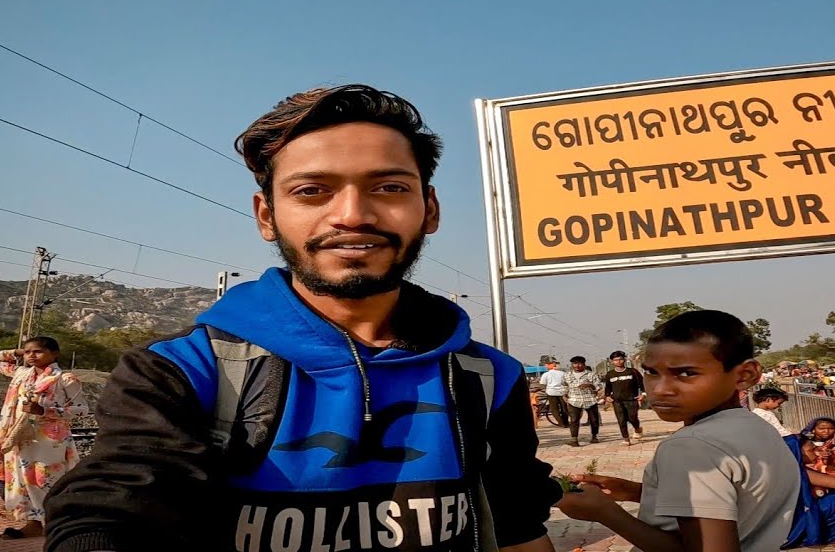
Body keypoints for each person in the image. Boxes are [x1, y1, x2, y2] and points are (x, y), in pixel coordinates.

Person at [45, 85, 561, 552]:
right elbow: (118, 499)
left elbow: (518, 527)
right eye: (312, 191)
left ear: (430, 209)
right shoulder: (182, 369)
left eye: (389, 188)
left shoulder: (489, 377)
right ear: (266, 216)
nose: (352, 215)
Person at [556, 309, 800, 552]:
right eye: (651, 372)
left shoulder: (690, 446)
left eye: (686, 373)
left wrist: (605, 512)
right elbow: (737, 500)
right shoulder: (758, 427)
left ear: (745, 375)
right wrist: (641, 492)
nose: (660, 389)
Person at [0, 337, 87, 539]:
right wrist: (17, 352)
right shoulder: (21, 374)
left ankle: (52, 521)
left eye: (38, 351)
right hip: (19, 436)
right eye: (28, 352)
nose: (31, 355)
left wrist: (45, 410)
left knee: (44, 478)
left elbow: (82, 410)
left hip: (49, 440)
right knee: (22, 478)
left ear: (55, 354)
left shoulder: (65, 379)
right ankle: (34, 522)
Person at [603, 350, 645, 444]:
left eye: (620, 359)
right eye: (615, 360)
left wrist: (643, 394)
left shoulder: (633, 372)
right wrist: (607, 396)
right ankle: (626, 439)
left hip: (632, 400)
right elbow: (608, 387)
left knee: (632, 418)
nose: (618, 362)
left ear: (624, 360)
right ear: (612, 362)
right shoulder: (610, 374)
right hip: (617, 401)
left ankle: (637, 429)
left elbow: (642, 384)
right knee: (621, 420)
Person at [564, 355, 603, 446]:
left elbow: (599, 386)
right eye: (575, 363)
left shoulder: (591, 375)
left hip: (590, 399)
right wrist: (564, 396)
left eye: (580, 364)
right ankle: (574, 439)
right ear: (572, 365)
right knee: (574, 420)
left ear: (584, 364)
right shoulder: (567, 375)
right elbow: (564, 386)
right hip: (574, 400)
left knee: (594, 420)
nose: (577, 366)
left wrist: (590, 385)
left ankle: (594, 436)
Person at [540, 361, 569, 427]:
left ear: (549, 366)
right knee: (564, 408)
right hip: (562, 392)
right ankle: (566, 422)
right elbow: (566, 383)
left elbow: (543, 384)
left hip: (551, 393)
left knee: (554, 409)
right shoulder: (562, 373)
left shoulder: (546, 374)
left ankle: (561, 423)